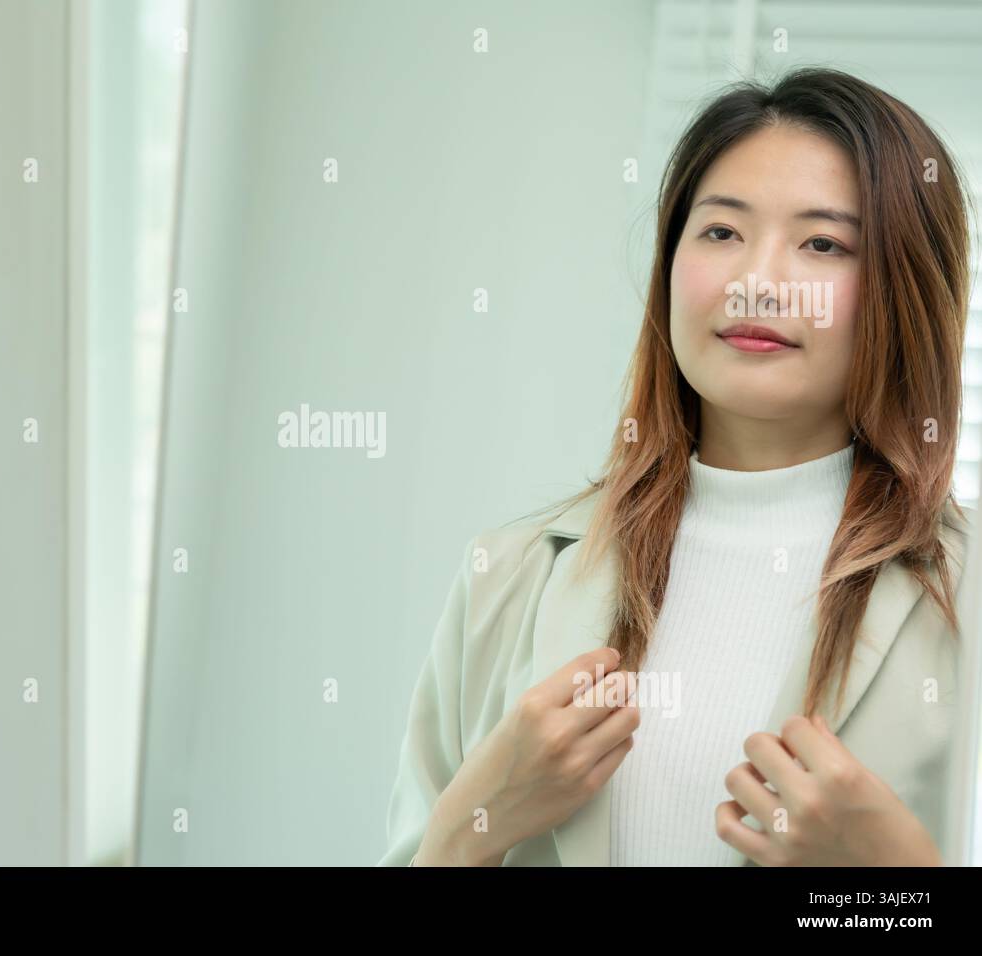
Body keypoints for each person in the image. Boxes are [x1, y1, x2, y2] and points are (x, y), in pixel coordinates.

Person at [379, 67, 974, 867]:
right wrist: (471, 822)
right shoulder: (507, 575)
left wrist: (896, 884)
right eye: (722, 232)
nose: (757, 283)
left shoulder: (962, 594)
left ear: (904, 291)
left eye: (824, 244)